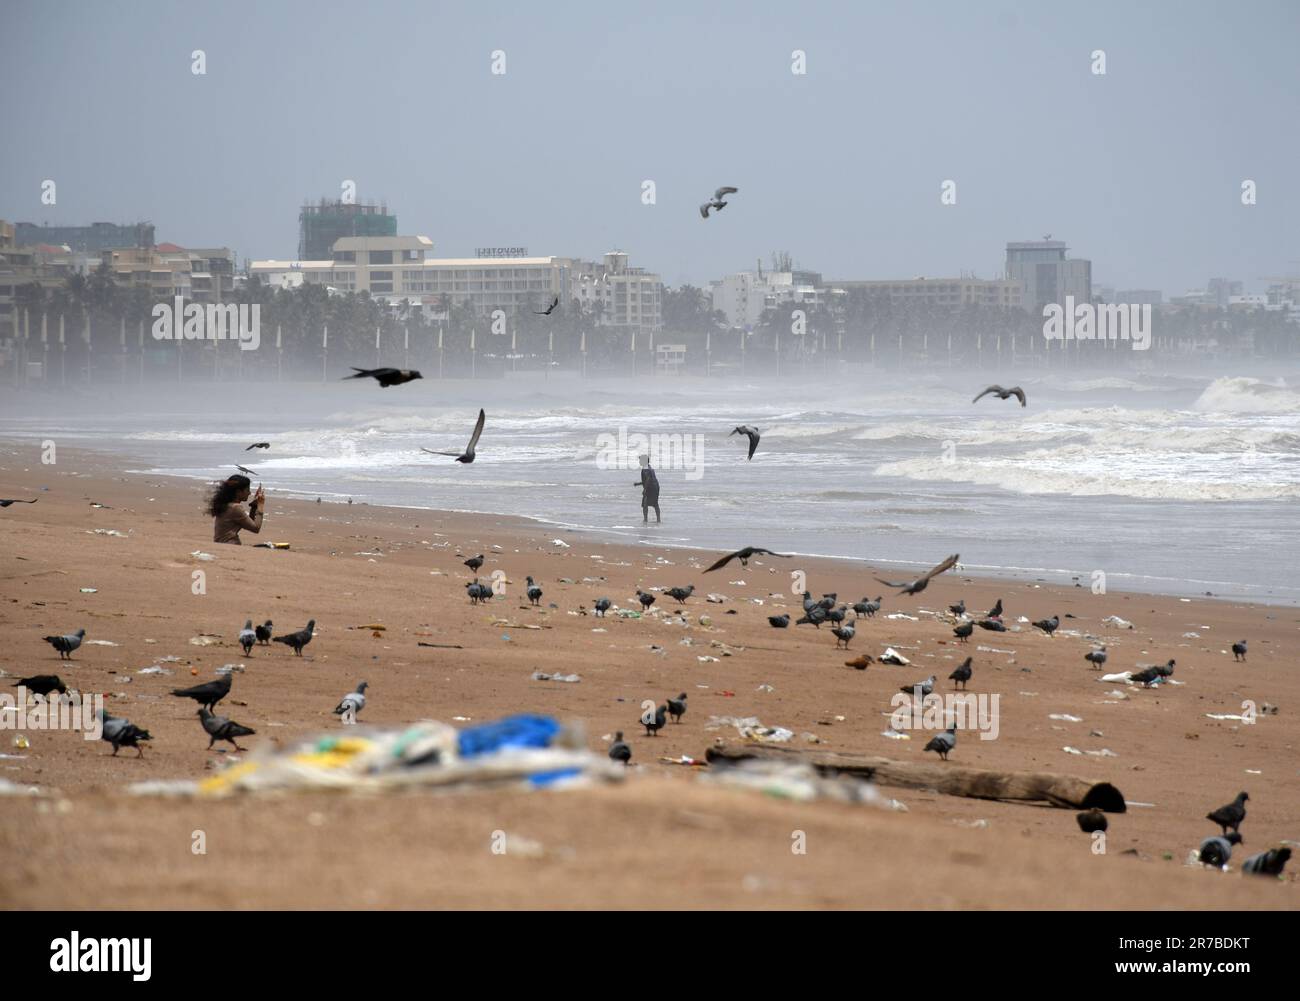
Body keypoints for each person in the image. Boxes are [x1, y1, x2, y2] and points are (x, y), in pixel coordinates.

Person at [209, 474, 264, 544]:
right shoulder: (235, 508)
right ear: (238, 492)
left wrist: (254, 506)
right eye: (247, 490)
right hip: (229, 543)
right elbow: (256, 528)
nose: (249, 493)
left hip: (221, 542)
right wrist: (261, 505)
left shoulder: (225, 505)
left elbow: (250, 524)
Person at [634, 454, 660, 524]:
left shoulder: (645, 469)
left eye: (640, 460)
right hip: (656, 486)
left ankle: (645, 520)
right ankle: (658, 520)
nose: (639, 461)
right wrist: (638, 484)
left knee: (645, 503)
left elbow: (648, 479)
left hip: (651, 487)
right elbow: (648, 480)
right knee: (655, 503)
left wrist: (644, 490)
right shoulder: (650, 467)